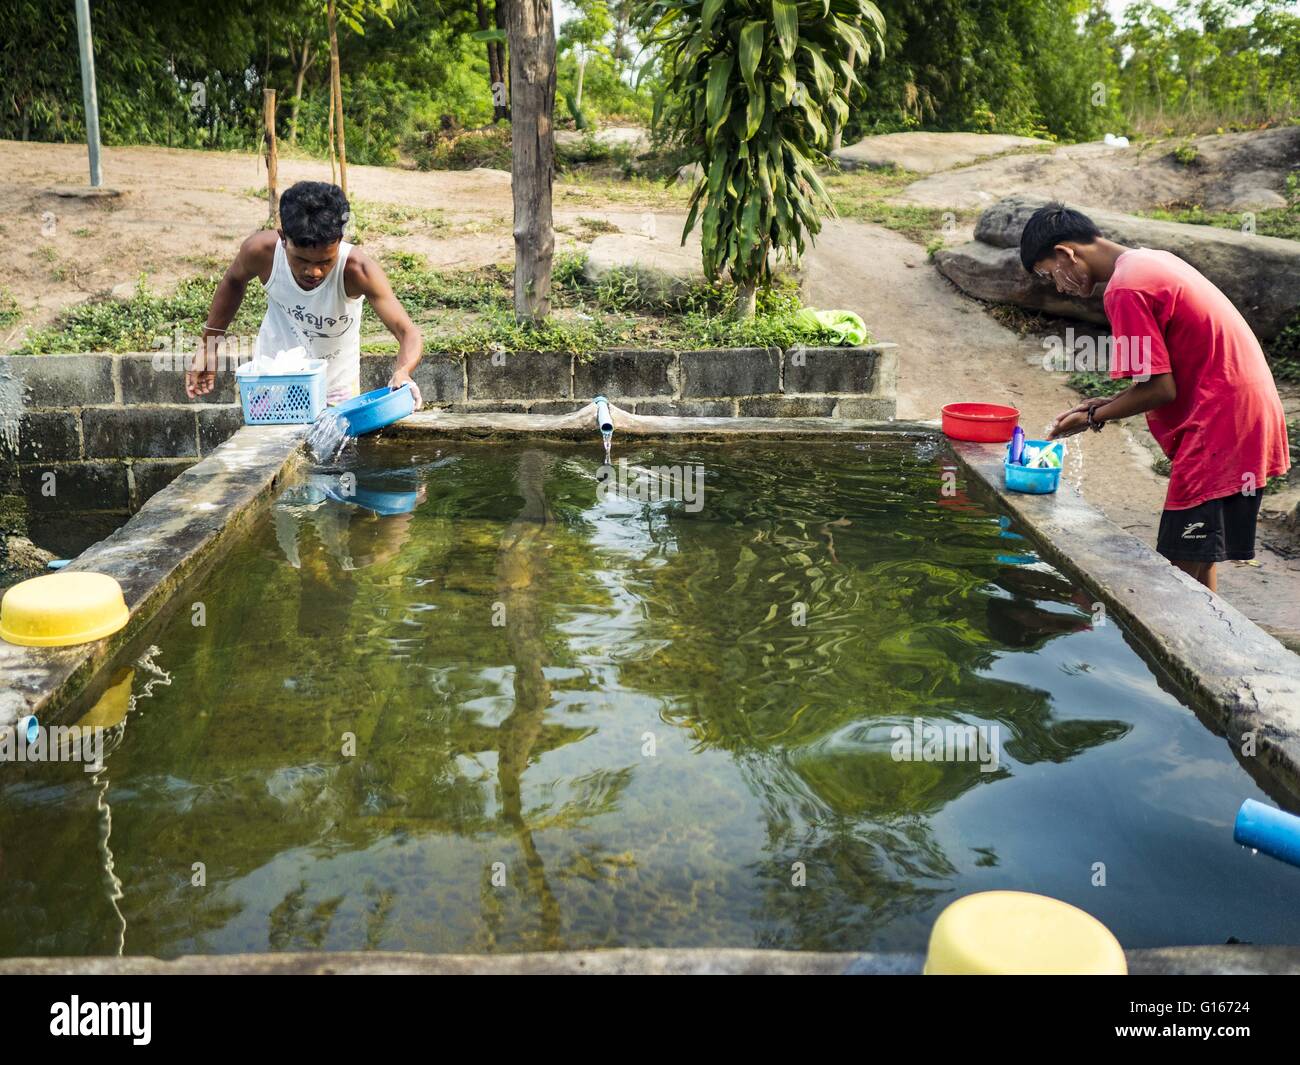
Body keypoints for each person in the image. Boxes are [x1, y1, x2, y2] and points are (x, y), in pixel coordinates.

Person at [1021, 202, 1290, 592]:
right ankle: (1207, 649)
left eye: (1051, 275)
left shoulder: (1125, 290)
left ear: (1066, 253)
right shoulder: (1148, 262)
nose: (1059, 287)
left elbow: (1161, 390)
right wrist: (1103, 403)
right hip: (1242, 415)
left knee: (1170, 587)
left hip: (1220, 427)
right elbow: (1156, 377)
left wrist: (1094, 418)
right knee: (1198, 563)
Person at [185, 180, 423, 406]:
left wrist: (403, 372)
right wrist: (208, 345)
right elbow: (233, 281)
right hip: (271, 384)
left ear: (340, 241)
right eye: (301, 260)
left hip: (336, 393)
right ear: (283, 238)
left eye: (325, 261)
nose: (314, 271)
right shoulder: (260, 252)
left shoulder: (358, 271)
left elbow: (407, 331)